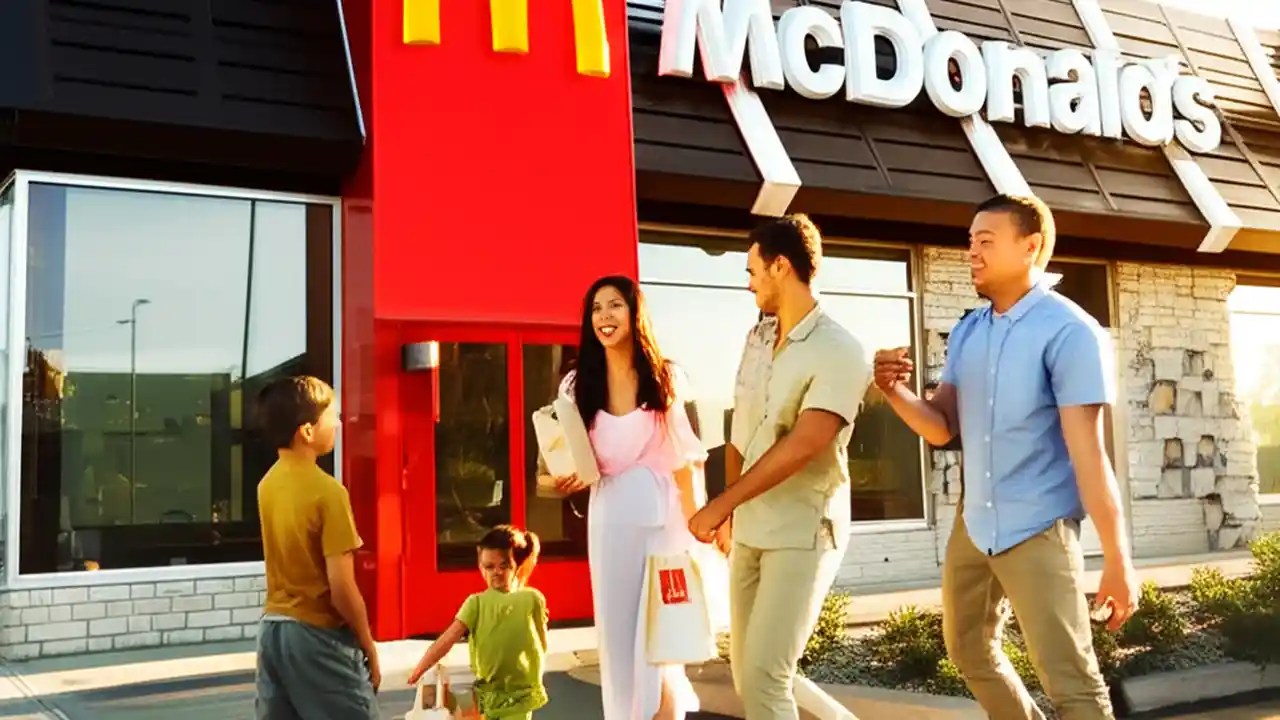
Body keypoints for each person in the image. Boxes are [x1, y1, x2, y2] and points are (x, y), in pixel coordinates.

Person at [874, 193, 1138, 720]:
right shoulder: (970, 331)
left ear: (1031, 247)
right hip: (974, 524)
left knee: (1073, 683)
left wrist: (1118, 558)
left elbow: (1090, 455)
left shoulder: (1070, 332)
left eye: (986, 241)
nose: (971, 251)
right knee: (968, 649)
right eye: (970, 241)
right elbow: (943, 427)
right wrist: (893, 393)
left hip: (1038, 526)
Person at [688, 215, 869, 720]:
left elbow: (805, 443)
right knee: (750, 677)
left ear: (780, 266)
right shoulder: (757, 340)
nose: (748, 283)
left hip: (803, 530)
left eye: (753, 271)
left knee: (767, 680)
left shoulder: (840, 349)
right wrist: (729, 514)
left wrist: (720, 502)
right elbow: (740, 431)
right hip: (751, 528)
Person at [544, 275, 712, 720]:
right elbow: (562, 462)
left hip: (664, 523)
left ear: (635, 313)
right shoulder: (576, 385)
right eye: (596, 309)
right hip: (610, 520)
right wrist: (568, 478)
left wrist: (703, 526)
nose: (604, 316)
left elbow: (687, 458)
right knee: (619, 640)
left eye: (614, 305)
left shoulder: (667, 376)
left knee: (660, 638)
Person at [253, 376, 380, 720]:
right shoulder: (328, 492)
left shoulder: (267, 485)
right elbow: (341, 588)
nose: (339, 423)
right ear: (307, 431)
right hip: (316, 635)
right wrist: (368, 642)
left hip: (273, 632)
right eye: (332, 416)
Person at [407, 525, 549, 720]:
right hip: (488, 693)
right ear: (480, 567)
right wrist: (421, 667)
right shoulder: (476, 603)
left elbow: (540, 643)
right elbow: (449, 638)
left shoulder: (533, 599)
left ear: (517, 564)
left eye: (504, 565)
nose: (496, 572)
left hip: (520, 695)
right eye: (489, 567)